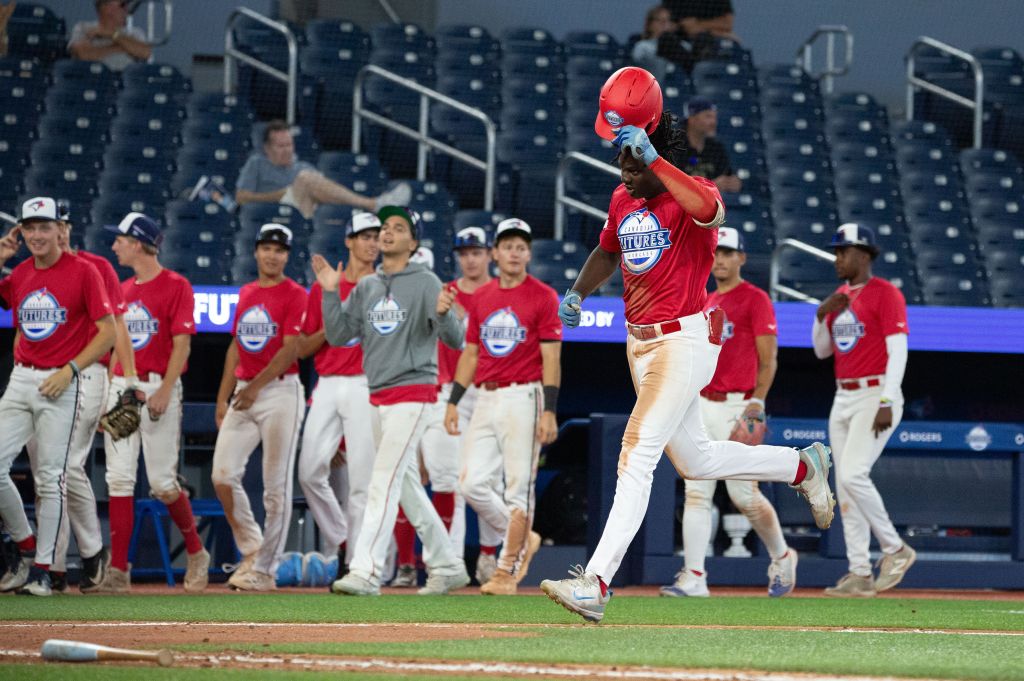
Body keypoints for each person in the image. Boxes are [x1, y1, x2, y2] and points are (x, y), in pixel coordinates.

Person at [538, 67, 835, 623]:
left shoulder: (683, 196)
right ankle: (801, 467)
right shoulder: (623, 199)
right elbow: (607, 249)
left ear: (653, 151)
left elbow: (711, 209)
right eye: (621, 159)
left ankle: (596, 583)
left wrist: (650, 158)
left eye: (631, 159)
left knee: (636, 452)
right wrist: (576, 292)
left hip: (681, 341)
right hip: (639, 345)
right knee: (695, 460)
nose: (622, 169)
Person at [314, 205, 470, 596]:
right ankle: (447, 562)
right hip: (378, 394)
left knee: (381, 480)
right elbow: (337, 334)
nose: (387, 233)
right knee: (402, 485)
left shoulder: (426, 281)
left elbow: (455, 339)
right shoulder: (367, 285)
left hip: (414, 392)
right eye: (385, 227)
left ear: (413, 242)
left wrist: (446, 315)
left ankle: (365, 570)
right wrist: (331, 292)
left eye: (398, 228)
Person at [660, 226, 796, 599]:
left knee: (743, 494)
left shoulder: (755, 299)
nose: (719, 259)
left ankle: (782, 555)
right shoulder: (703, 300)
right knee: (696, 491)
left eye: (728, 252)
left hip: (740, 403)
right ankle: (695, 576)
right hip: (702, 402)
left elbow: (769, 360)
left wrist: (757, 404)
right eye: (716, 252)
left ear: (742, 258)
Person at [0, 197, 115, 596]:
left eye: (43, 227)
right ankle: (27, 546)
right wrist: (1, 256)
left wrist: (71, 370)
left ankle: (44, 571)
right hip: (21, 379)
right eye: (29, 228)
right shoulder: (19, 274)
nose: (35, 235)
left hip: (62, 382)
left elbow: (108, 332)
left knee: (51, 477)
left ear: (59, 229)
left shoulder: (84, 272)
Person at [445, 218, 562, 595]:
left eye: (521, 246)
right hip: (485, 395)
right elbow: (471, 353)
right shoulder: (482, 297)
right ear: (495, 253)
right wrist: (454, 401)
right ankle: (525, 537)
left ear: (528, 253)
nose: (515, 252)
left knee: (518, 489)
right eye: (508, 245)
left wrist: (549, 409)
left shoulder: (543, 295)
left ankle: (506, 571)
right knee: (470, 483)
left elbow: (552, 358)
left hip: (523, 395)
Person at [96, 212, 210, 593]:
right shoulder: (122, 289)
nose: (114, 246)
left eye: (121, 239)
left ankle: (196, 551)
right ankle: (119, 570)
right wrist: (106, 398)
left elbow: (183, 343)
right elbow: (116, 347)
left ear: (140, 243)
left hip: (160, 384)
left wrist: (166, 389)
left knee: (162, 483)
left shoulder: (176, 285)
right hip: (124, 387)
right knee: (119, 477)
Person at [392, 229, 506, 588]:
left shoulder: (501, 293)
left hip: (491, 392)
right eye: (464, 253)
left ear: (489, 254)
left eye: (476, 251)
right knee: (451, 481)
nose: (470, 258)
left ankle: (491, 557)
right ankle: (451, 562)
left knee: (491, 482)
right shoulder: (445, 293)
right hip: (450, 393)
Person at [813, 223, 916, 598]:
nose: (837, 258)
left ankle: (895, 549)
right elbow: (823, 350)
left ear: (865, 255)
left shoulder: (886, 293)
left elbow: (898, 351)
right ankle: (858, 571)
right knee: (845, 485)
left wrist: (888, 400)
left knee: (854, 474)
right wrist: (820, 315)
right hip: (843, 395)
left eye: (844, 251)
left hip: (876, 393)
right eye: (837, 250)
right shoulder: (839, 296)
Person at [35, 208, 127, 594]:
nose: (54, 232)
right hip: (41, 377)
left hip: (88, 373)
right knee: (46, 469)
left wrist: (120, 384)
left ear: (65, 229)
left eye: (58, 225)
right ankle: (52, 566)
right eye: (41, 227)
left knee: (68, 463)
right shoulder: (34, 274)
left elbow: (117, 326)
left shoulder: (95, 267)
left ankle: (91, 551)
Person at [212, 224, 307, 591]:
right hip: (245, 390)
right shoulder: (248, 292)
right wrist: (224, 396)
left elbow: (291, 350)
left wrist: (253, 387)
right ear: (255, 252)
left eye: (279, 250)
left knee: (275, 488)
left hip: (280, 393)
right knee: (222, 475)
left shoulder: (295, 294)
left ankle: (266, 570)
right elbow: (236, 346)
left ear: (286, 256)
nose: (272, 255)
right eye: (266, 248)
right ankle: (252, 548)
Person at [297, 212, 381, 581]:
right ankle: (344, 539)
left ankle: (356, 562)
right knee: (309, 470)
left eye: (376, 236)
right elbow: (305, 344)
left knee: (362, 481)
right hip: (328, 382)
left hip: (366, 383)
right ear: (349, 241)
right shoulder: (325, 286)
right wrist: (336, 318)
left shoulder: (384, 285)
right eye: (363, 236)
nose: (371, 242)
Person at [234, 121, 412, 220]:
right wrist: (279, 195)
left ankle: (311, 233)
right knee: (305, 179)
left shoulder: (303, 167)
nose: (287, 149)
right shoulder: (256, 163)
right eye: (281, 146)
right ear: (267, 148)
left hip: (305, 212)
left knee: (308, 178)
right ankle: (373, 204)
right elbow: (241, 197)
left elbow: (326, 192)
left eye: (289, 144)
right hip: (268, 214)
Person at [68, 0, 151, 72]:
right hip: (93, 81)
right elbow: (84, 55)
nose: (127, 9)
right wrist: (122, 48)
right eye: (122, 5)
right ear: (106, 8)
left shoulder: (134, 32)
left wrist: (113, 34)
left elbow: (145, 52)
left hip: (125, 83)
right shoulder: (83, 28)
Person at [682, 97, 742, 194]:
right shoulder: (674, 146)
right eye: (708, 117)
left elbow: (728, 175)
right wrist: (712, 185)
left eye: (714, 117)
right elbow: (674, 186)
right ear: (692, 119)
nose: (714, 122)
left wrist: (734, 183)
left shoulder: (716, 148)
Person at [630, 5, 675, 83]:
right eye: (659, 20)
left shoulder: (683, 47)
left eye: (667, 20)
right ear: (650, 24)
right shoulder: (642, 46)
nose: (663, 24)